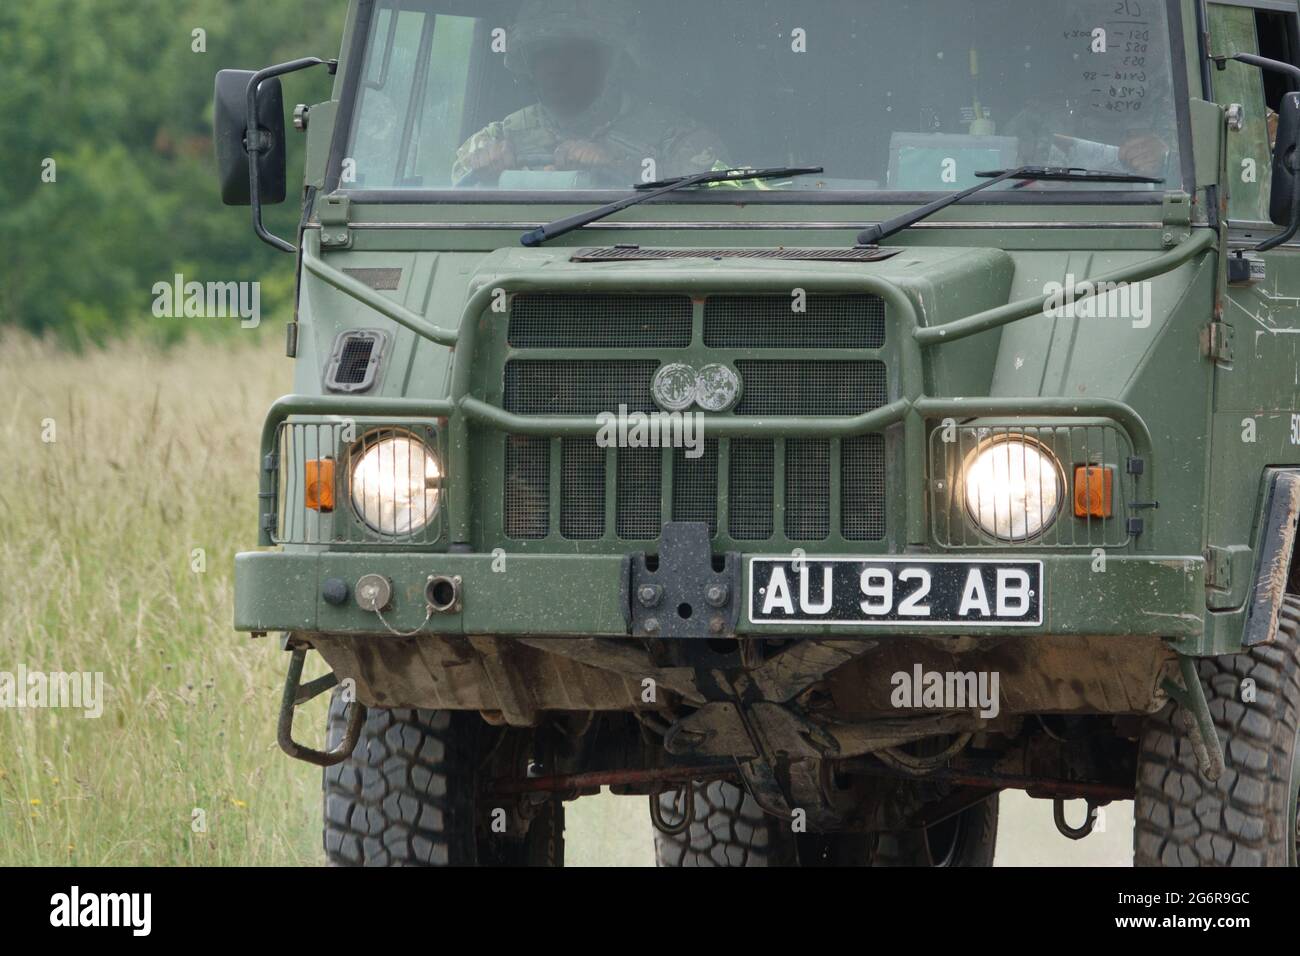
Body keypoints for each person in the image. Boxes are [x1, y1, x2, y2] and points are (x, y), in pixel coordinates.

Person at [452, 0, 725, 187]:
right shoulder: (494, 142)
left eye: (577, 51)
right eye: (544, 52)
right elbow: (444, 216)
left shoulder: (678, 141)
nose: (557, 66)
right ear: (527, 61)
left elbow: (720, 214)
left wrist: (618, 167)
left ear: (610, 59)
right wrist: (487, 177)